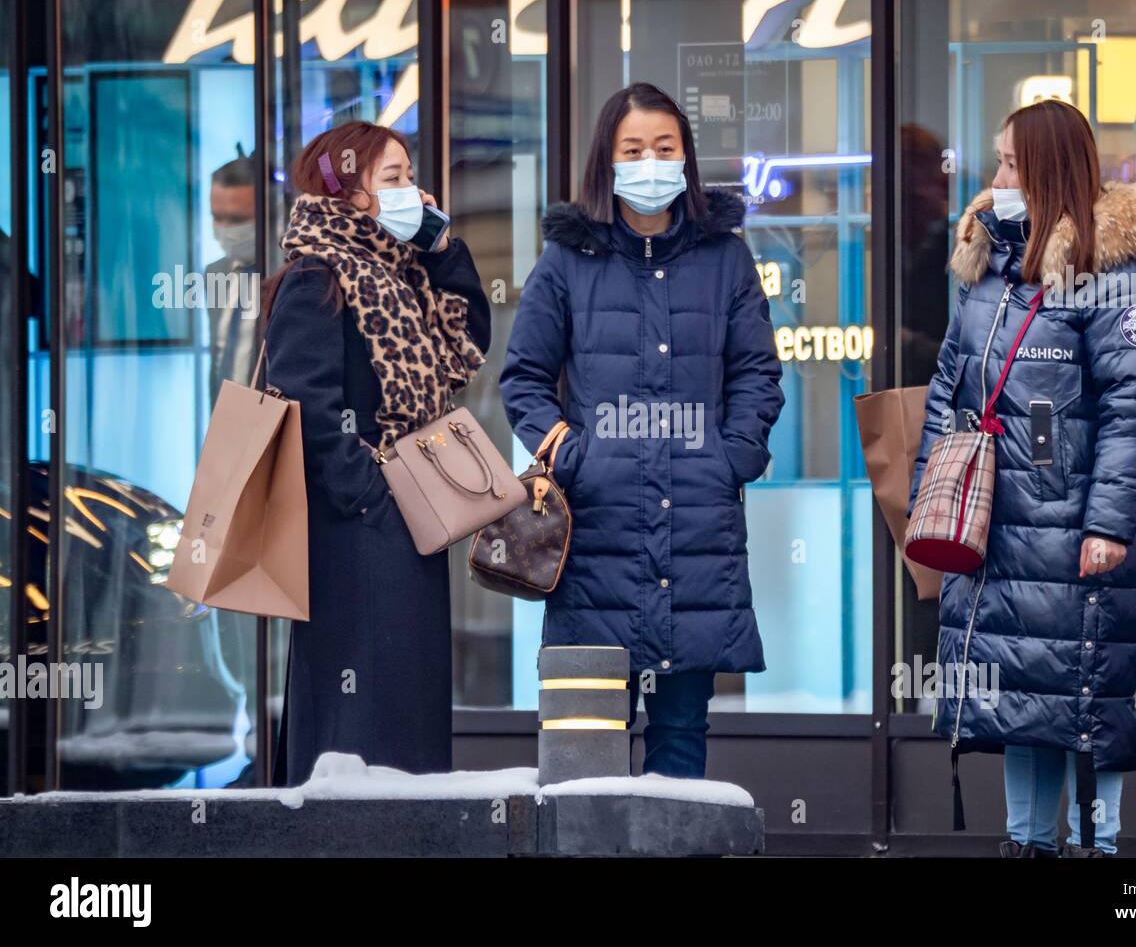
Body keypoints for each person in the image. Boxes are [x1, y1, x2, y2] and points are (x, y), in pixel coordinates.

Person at [908, 99, 1136, 856]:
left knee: (1086, 693)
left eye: (1011, 164)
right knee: (1019, 694)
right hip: (995, 524)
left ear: (1052, 172)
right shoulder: (987, 264)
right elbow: (946, 389)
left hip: (1073, 528)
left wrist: (1106, 526)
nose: (996, 178)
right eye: (997, 161)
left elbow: (1132, 412)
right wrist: (929, 508)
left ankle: (1103, 845)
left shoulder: (1114, 273)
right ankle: (1027, 846)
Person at [500, 82, 785, 779]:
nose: (650, 162)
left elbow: (757, 371)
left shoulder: (725, 258)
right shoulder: (569, 261)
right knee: (586, 749)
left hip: (697, 530)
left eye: (665, 147)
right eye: (633, 149)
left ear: (686, 159)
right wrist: (574, 454)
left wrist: (733, 455)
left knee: (683, 735)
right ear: (608, 160)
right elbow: (523, 378)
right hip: (596, 530)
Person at [264, 121, 490, 786]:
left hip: (403, 521)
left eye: (410, 176)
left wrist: (442, 246)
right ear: (348, 191)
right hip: (352, 533)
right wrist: (372, 492)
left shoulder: (400, 273)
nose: (412, 192)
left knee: (404, 709)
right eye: (392, 179)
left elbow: (465, 346)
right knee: (357, 719)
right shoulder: (318, 275)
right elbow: (304, 405)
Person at [206, 151, 259, 404]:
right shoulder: (214, 274)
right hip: (226, 429)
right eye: (217, 217)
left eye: (237, 219)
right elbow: (219, 358)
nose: (225, 229)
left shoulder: (292, 275)